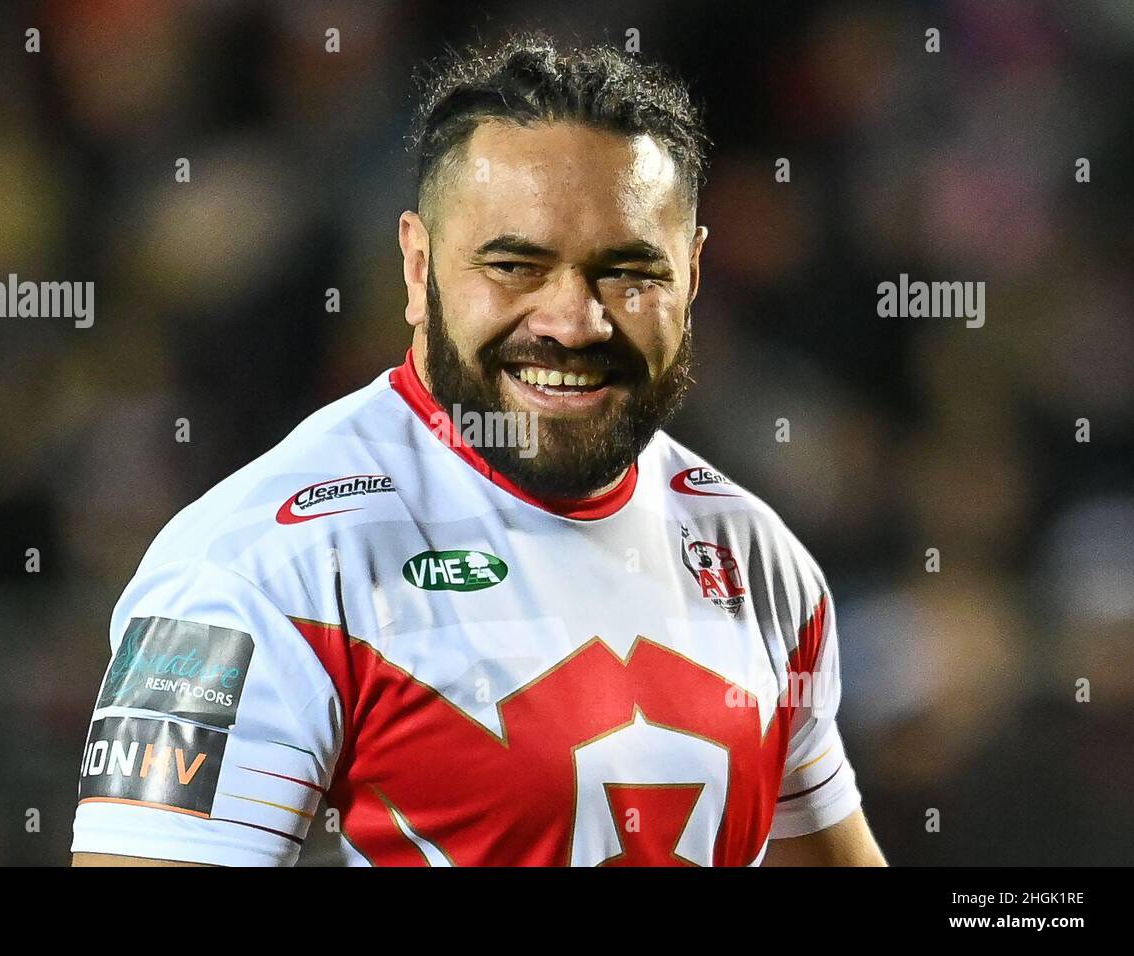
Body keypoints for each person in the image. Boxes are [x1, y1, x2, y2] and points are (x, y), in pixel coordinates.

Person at [71, 33, 885, 867]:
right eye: (514, 266)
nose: (573, 322)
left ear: (695, 276)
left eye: (629, 272)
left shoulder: (759, 562)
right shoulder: (256, 568)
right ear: (417, 267)